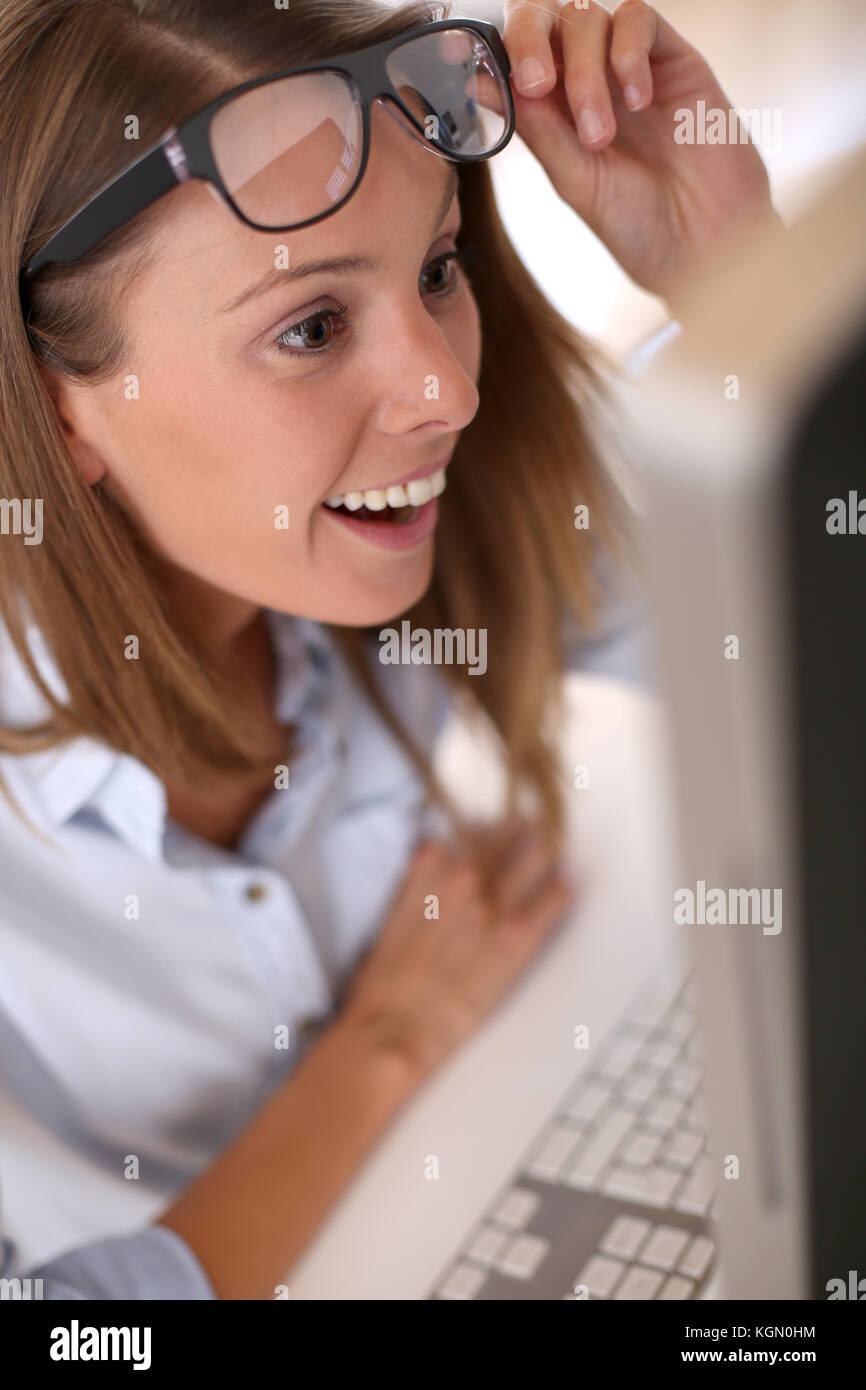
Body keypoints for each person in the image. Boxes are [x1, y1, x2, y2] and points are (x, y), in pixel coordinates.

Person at [0, 0, 778, 1300]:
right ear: (59, 404)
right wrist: (383, 1049)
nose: (448, 391)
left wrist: (733, 278)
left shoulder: (411, 519)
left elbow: (797, 661)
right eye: (308, 328)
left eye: (435, 270)